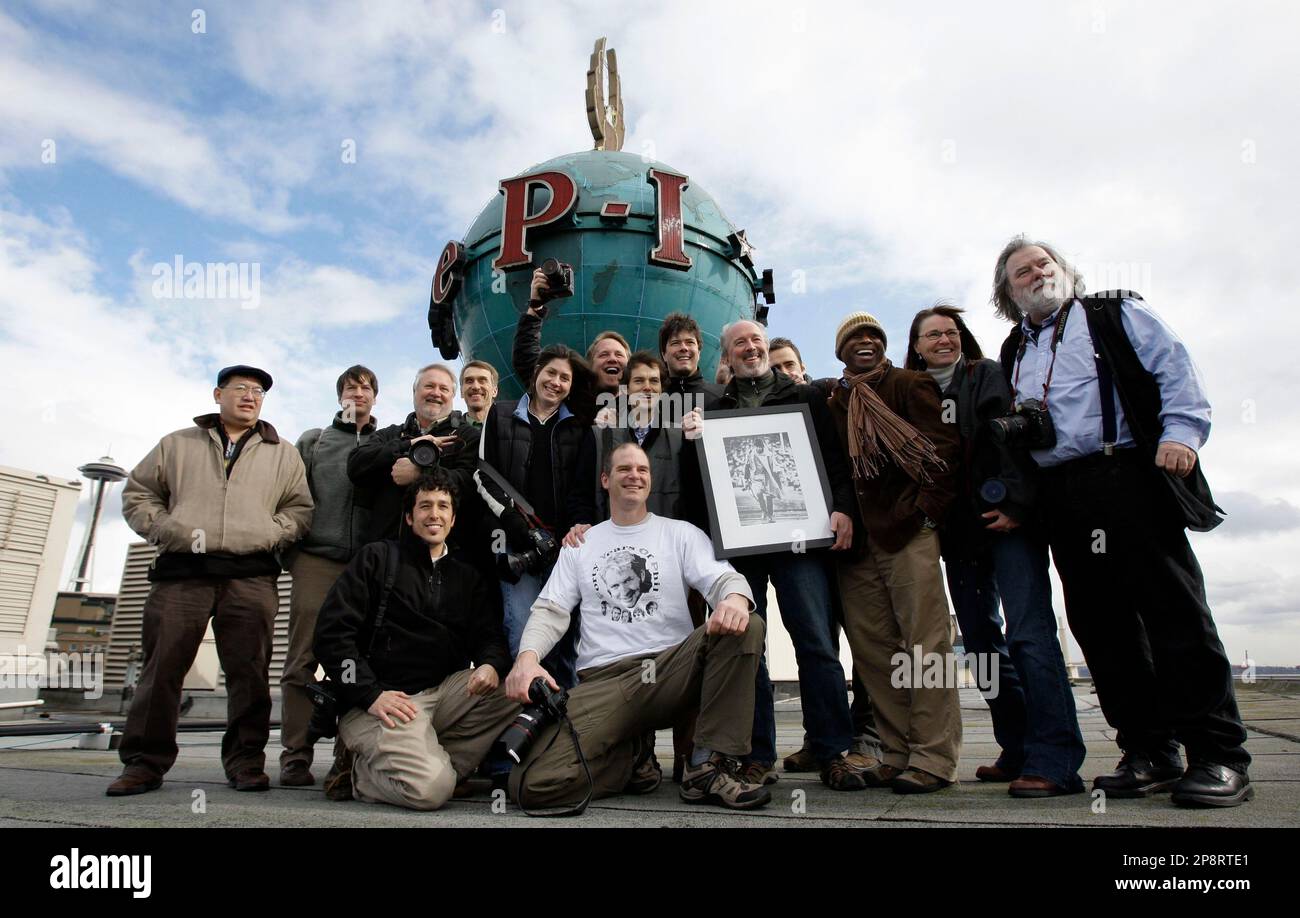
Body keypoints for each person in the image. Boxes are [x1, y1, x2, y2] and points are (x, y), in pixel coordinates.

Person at [991, 235, 1251, 807]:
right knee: (1102, 629)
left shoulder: (1114, 313)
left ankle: (1220, 754)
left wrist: (1181, 434)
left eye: (1044, 264)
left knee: (1174, 613)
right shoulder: (1015, 348)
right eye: (1020, 273)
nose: (1036, 274)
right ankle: (1150, 750)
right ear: (1008, 294)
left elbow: (1174, 368)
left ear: (1065, 270)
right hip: (1063, 494)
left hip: (1127, 475)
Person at [504, 442, 771, 812]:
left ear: (650, 480)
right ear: (605, 479)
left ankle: (707, 767)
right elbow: (551, 611)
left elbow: (723, 579)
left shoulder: (681, 534)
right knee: (532, 785)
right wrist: (527, 659)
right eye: (624, 469)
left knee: (747, 624)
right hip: (605, 682)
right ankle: (630, 757)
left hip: (671, 671)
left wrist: (735, 599)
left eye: (642, 470)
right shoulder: (581, 543)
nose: (634, 475)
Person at [905, 304, 1086, 797]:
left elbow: (1009, 439)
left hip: (1006, 521)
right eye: (932, 335)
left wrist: (1016, 503)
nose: (944, 339)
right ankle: (1017, 745)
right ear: (916, 347)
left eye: (950, 331)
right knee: (983, 643)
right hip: (960, 533)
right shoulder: (914, 392)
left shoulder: (986, 374)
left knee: (1030, 634)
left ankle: (1056, 759)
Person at [108, 366, 313, 796]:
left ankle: (245, 762)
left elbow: (299, 510)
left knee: (249, 674)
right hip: (182, 575)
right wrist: (166, 529)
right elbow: (137, 493)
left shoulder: (283, 453)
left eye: (258, 392)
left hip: (251, 576)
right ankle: (144, 764)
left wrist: (272, 534)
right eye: (241, 389)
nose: (250, 397)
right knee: (162, 670)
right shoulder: (177, 443)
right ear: (218, 394)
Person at [714, 320, 865, 791]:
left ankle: (832, 750)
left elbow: (836, 459)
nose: (750, 347)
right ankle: (758, 754)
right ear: (727, 356)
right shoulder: (714, 410)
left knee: (815, 640)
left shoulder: (806, 397)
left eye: (756, 340)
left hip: (801, 537)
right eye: (740, 343)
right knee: (748, 648)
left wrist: (842, 508)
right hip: (743, 545)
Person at [312, 469, 518, 810]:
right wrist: (369, 693)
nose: (433, 514)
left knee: (512, 689)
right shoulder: (376, 558)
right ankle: (358, 772)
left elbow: (489, 636)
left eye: (442, 506)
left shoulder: (467, 574)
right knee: (431, 792)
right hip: (381, 700)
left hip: (439, 695)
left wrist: (490, 665)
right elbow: (331, 636)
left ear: (453, 519)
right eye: (424, 506)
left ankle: (438, 764)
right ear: (409, 517)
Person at [826, 312, 963, 794]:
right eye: (854, 339)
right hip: (857, 544)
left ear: (884, 345)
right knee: (873, 651)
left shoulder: (912, 384)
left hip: (907, 532)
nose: (865, 342)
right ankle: (897, 750)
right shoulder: (835, 400)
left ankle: (933, 756)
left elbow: (945, 451)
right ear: (841, 351)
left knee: (926, 644)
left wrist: (926, 513)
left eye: (873, 337)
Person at [279, 365, 380, 788]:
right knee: (302, 659)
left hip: (365, 568)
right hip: (317, 559)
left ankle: (347, 757)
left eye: (365, 387)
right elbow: (290, 497)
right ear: (339, 396)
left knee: (361, 663)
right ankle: (295, 756)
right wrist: (293, 553)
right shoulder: (313, 441)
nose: (357, 392)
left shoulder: (385, 441)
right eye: (350, 387)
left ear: (375, 397)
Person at [477, 344, 598, 690]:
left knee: (565, 644)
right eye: (551, 373)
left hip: (562, 552)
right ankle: (527, 721)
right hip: (516, 548)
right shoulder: (499, 414)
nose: (556, 383)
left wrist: (576, 528)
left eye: (565, 378)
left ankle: (567, 729)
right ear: (536, 374)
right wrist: (514, 524)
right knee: (521, 635)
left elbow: (581, 490)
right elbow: (484, 474)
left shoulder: (578, 427)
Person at [347, 364, 481, 551]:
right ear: (414, 391)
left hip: (443, 560)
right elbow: (356, 465)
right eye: (429, 386)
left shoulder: (467, 438)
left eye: (443, 389)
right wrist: (409, 444)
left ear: (452, 396)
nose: (436, 393)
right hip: (384, 555)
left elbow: (471, 485)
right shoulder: (390, 435)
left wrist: (422, 473)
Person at [659, 311, 724, 410]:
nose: (684, 348)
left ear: (699, 352)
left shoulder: (723, 397)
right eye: (675, 343)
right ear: (664, 355)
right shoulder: (652, 403)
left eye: (690, 342)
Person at [460, 360, 499, 428]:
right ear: (461, 392)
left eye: (482, 381)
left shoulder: (514, 428)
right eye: (469, 381)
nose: (475, 387)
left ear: (494, 391)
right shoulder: (447, 433)